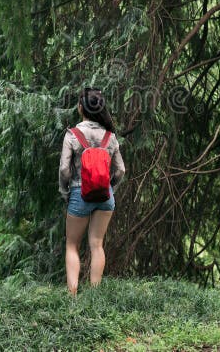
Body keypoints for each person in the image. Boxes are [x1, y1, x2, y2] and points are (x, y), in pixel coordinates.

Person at [58, 87, 126, 295]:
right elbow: (121, 169)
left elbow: (64, 168)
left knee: (72, 244)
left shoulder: (73, 135)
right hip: (105, 197)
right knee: (97, 244)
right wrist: (110, 188)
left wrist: (64, 190)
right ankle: (95, 295)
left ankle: (73, 296)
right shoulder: (110, 136)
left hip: (80, 194)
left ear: (81, 108)